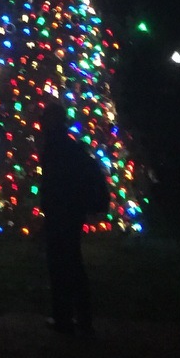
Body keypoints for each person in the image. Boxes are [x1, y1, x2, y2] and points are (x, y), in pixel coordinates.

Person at [39, 101, 105, 335]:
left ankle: (65, 318)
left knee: (61, 263)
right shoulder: (68, 146)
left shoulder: (56, 147)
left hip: (62, 211)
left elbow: (54, 182)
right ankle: (78, 317)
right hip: (70, 211)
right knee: (71, 262)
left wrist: (49, 204)